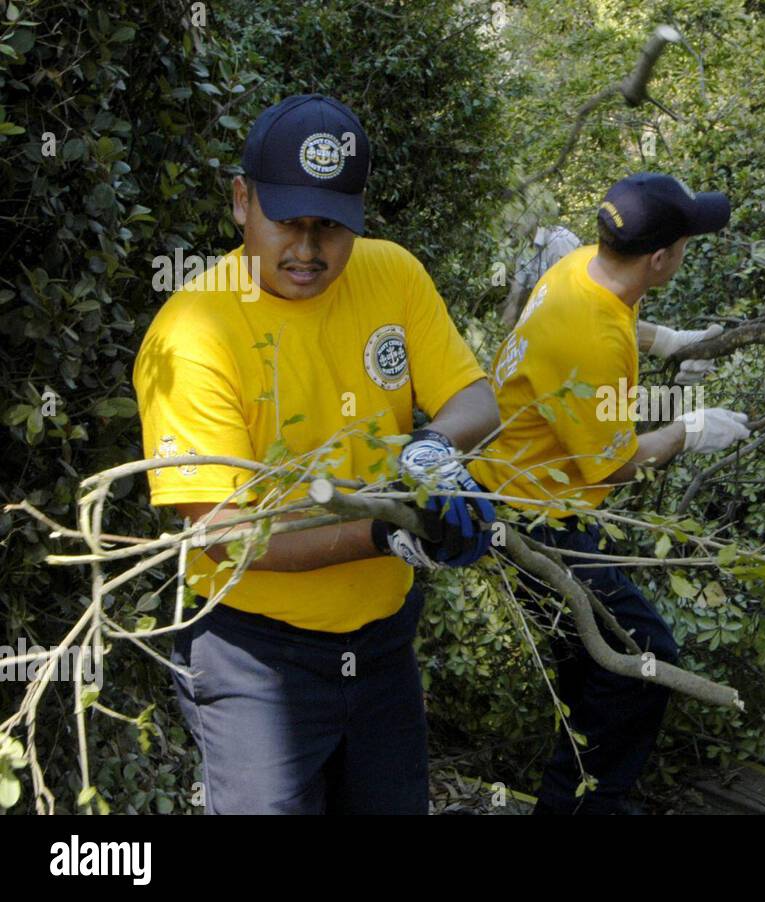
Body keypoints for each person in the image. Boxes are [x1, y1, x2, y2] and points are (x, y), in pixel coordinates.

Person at [132, 94, 499, 814]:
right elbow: (228, 534)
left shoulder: (392, 274)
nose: (307, 249)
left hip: (383, 645)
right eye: (288, 221)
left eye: (329, 225)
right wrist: (387, 532)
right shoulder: (193, 334)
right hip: (256, 662)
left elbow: (475, 399)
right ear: (242, 202)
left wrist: (431, 452)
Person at [469, 173, 750, 814]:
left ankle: (575, 798)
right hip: (538, 519)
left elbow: (615, 324)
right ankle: (581, 807)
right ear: (661, 258)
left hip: (520, 495)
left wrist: (671, 342)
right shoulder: (592, 339)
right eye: (686, 242)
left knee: (590, 665)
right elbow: (616, 467)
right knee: (641, 661)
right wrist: (688, 431)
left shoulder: (581, 266)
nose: (687, 251)